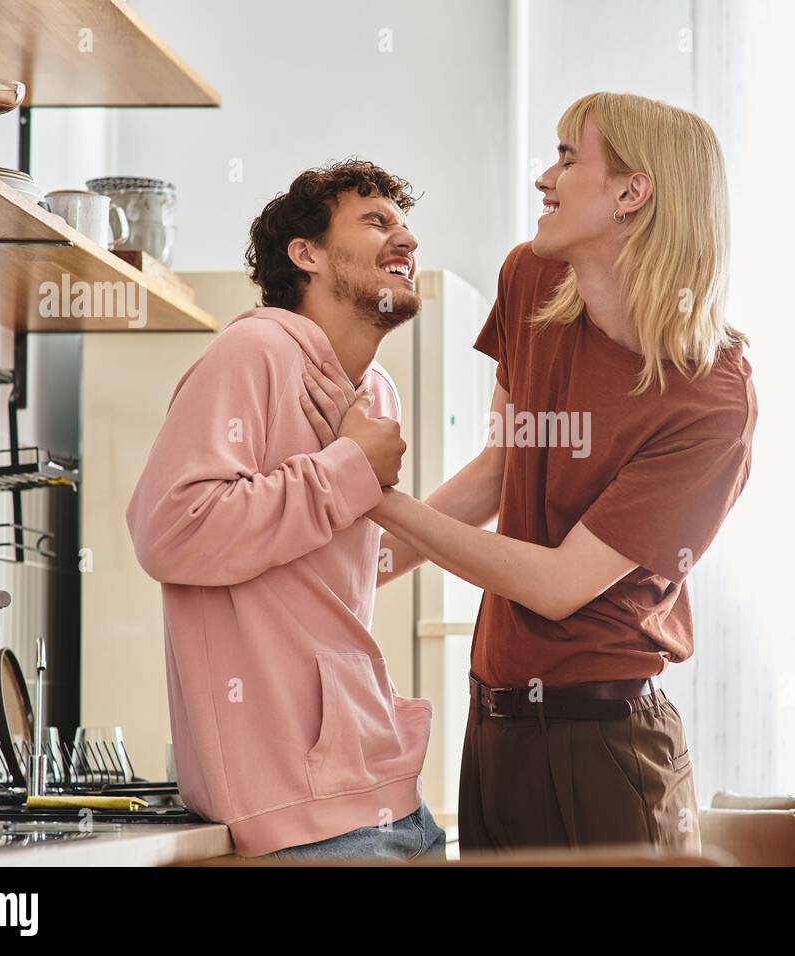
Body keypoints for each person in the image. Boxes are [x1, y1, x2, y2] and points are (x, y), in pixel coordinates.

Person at [303, 92, 757, 853]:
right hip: (493, 728)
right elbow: (500, 470)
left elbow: (557, 583)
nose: (545, 179)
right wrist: (343, 576)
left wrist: (368, 489)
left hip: (608, 746)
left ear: (631, 193)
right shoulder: (532, 280)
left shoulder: (712, 398)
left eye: (568, 159)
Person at [126, 160, 445, 861]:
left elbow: (323, 565)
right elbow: (170, 528)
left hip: (393, 798)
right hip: (305, 819)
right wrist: (350, 468)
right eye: (376, 221)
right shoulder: (255, 351)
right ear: (306, 254)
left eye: (405, 223)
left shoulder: (375, 394)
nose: (406, 239)